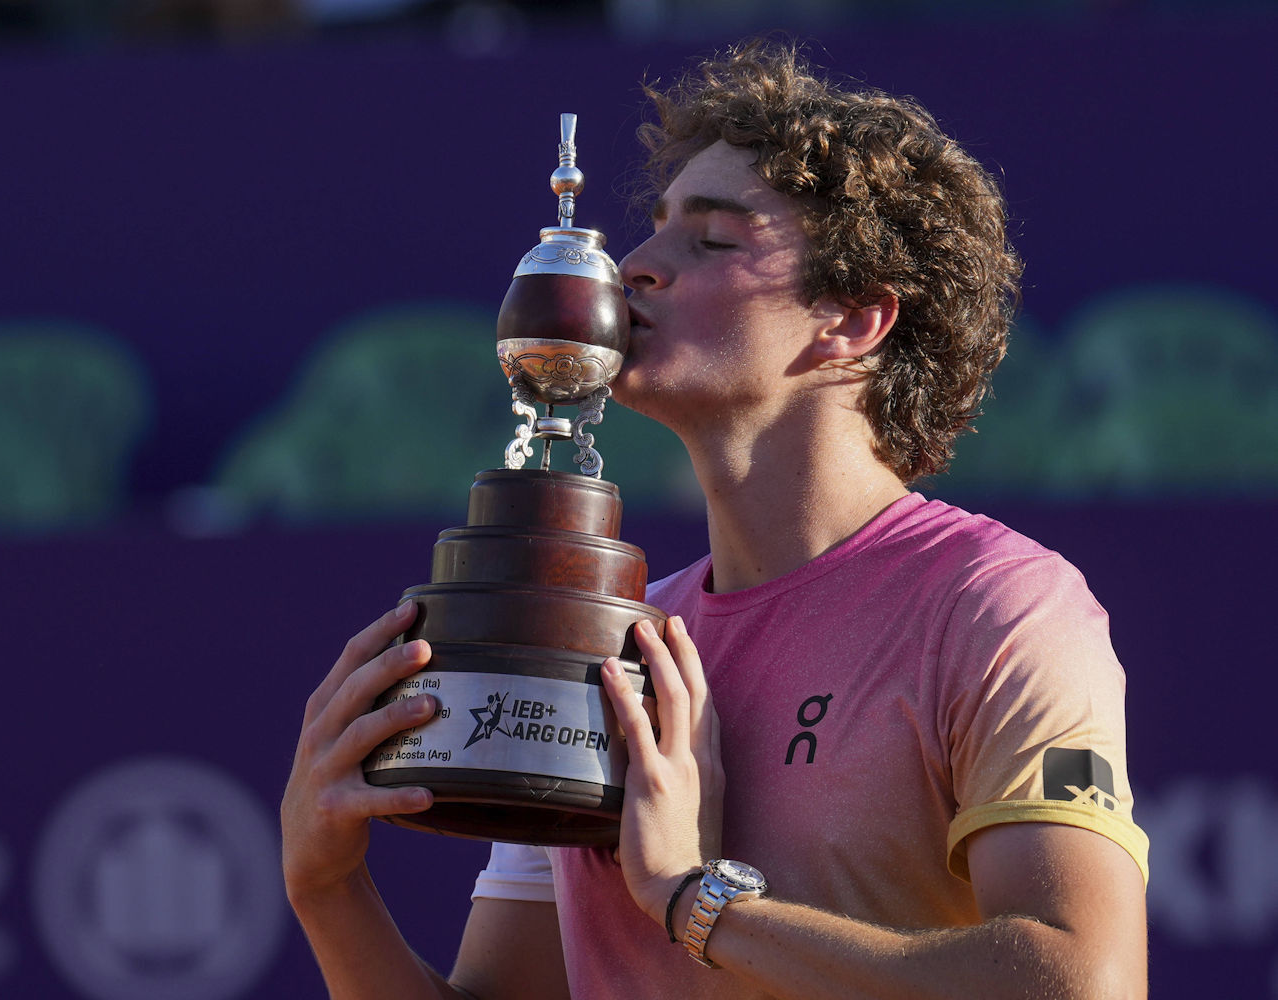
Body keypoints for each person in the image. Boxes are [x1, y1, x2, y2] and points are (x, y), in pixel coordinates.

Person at [280, 37, 1150, 1000]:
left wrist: (696, 900)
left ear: (853, 319)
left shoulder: (999, 606)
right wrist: (327, 887)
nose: (637, 267)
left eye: (713, 239)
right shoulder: (608, 646)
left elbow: (1083, 979)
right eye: (652, 230)